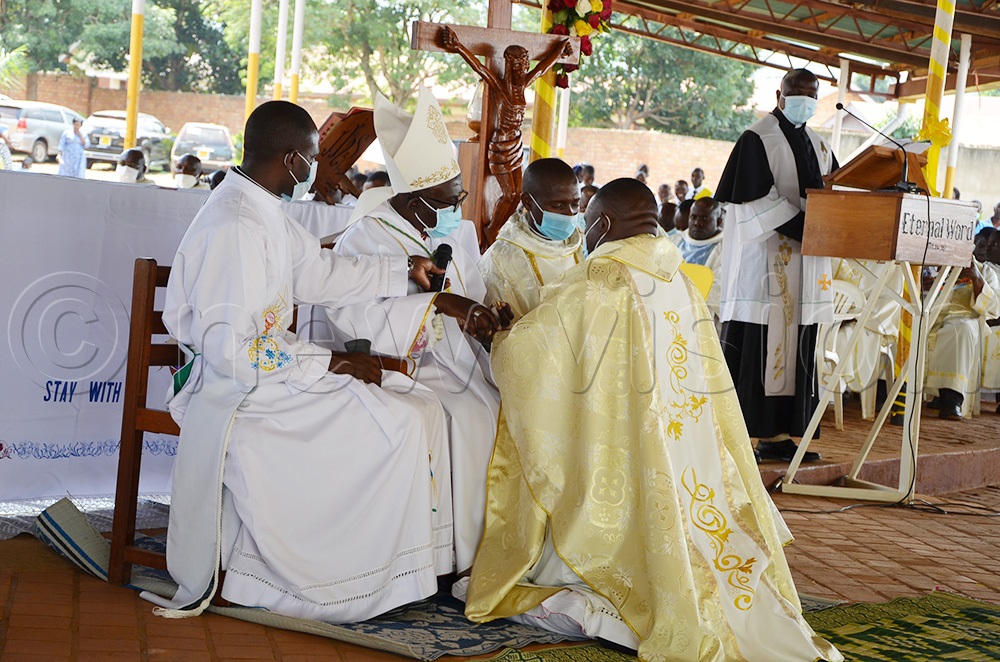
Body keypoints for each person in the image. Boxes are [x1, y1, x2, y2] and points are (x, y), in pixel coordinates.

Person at [459, 178, 842, 662]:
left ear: (600, 224)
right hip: (693, 453)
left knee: (588, 540)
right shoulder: (678, 277)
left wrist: (500, 338)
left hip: (638, 464)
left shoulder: (604, 281)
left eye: (586, 222)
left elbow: (536, 360)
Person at [148, 100, 455, 623]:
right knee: (396, 423)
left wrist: (403, 269)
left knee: (411, 406)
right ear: (292, 160)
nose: (318, 168)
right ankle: (330, 581)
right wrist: (328, 363)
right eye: (313, 156)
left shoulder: (263, 208)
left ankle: (381, 570)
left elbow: (320, 274)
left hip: (271, 374)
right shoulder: (236, 225)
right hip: (234, 391)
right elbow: (233, 350)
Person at [324, 86, 510, 573]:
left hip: (458, 364)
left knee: (502, 407)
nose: (457, 208)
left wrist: (488, 314)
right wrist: (438, 306)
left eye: (460, 197)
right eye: (448, 200)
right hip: (399, 366)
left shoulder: (449, 232)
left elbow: (474, 293)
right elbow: (352, 318)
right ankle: (450, 558)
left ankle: (488, 551)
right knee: (469, 418)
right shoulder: (366, 236)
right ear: (412, 197)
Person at [715, 68, 839, 464]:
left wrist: (826, 227)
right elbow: (755, 201)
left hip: (806, 262)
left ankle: (782, 436)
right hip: (766, 264)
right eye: (797, 92)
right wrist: (810, 228)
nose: (805, 100)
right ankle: (746, 436)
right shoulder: (757, 138)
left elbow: (836, 190)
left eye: (812, 94)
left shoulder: (819, 145)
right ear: (779, 93)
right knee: (760, 345)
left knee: (798, 343)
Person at [479, 157, 584, 322]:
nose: (570, 213)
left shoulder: (585, 243)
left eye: (576, 204)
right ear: (528, 202)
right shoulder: (500, 259)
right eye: (558, 205)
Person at [924, 260, 999, 419]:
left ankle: (952, 399)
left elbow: (994, 308)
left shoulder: (984, 271)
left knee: (960, 331)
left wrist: (976, 278)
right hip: (929, 318)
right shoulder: (927, 267)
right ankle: (892, 396)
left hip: (965, 319)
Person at [677, 197, 724, 319]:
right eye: (693, 217)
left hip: (702, 317)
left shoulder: (725, 249)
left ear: (719, 221)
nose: (698, 223)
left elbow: (719, 289)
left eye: (705, 218)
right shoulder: (674, 241)